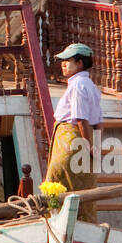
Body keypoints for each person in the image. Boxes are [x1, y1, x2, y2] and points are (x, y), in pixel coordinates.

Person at [45, 43, 103, 224]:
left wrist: (87, 145)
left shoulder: (77, 85)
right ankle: (83, 225)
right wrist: (95, 146)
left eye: (67, 61)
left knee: (55, 182)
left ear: (79, 63)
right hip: (84, 139)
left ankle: (55, 221)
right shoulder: (91, 86)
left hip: (71, 140)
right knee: (83, 188)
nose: (63, 64)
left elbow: (80, 119)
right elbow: (99, 121)